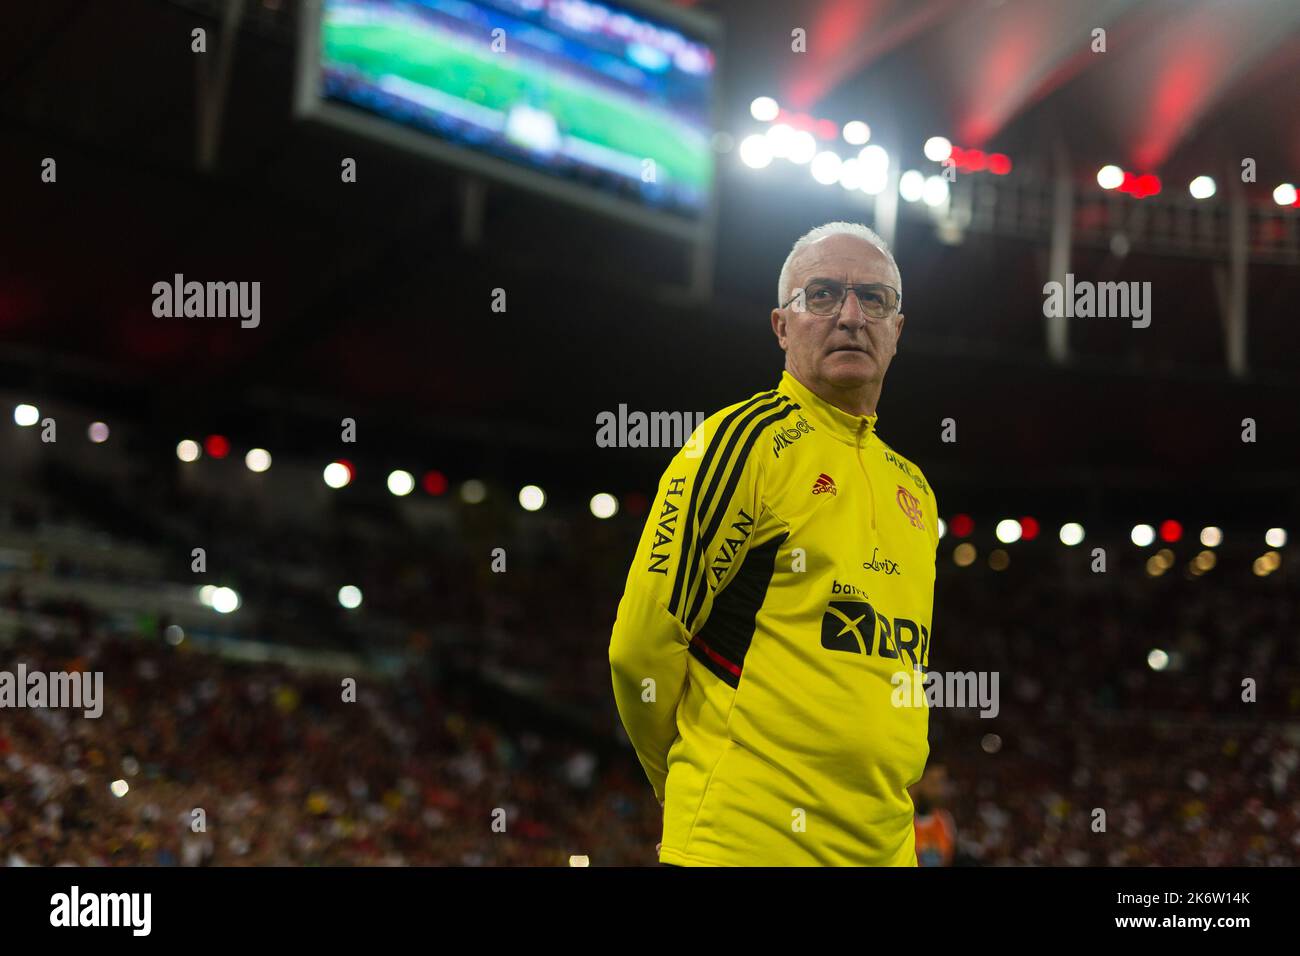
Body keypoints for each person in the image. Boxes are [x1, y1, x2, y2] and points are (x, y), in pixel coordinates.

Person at [609, 222, 940, 866]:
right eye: (822, 295)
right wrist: (681, 780)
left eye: (874, 299)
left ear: (897, 330)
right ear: (781, 326)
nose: (851, 316)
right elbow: (640, 651)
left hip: (885, 849)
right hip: (747, 842)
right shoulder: (741, 445)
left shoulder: (916, 490)